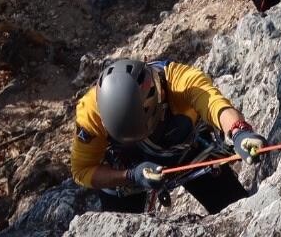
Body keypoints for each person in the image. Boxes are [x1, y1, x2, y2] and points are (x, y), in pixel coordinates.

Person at [69, 57, 267, 214]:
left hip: (188, 153)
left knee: (235, 208)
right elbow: (82, 170)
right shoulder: (90, 114)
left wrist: (239, 131)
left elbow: (214, 104)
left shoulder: (181, 81)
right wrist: (130, 176)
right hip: (127, 169)